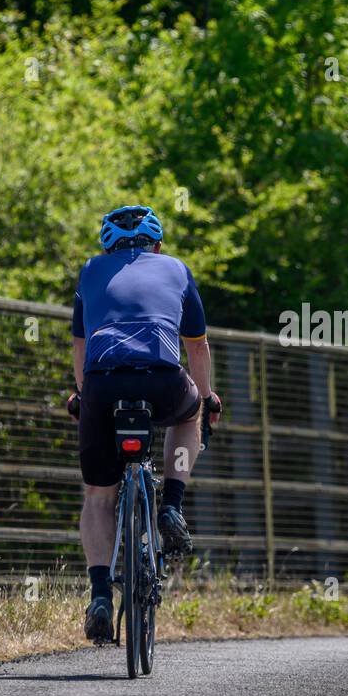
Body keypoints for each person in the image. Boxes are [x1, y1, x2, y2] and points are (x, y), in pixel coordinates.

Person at [67, 205, 222, 641]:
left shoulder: (90, 271)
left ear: (107, 243)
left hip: (102, 385)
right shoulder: (176, 269)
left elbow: (81, 348)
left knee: (99, 495)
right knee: (188, 413)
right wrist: (207, 400)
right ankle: (171, 504)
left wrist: (83, 395)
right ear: (157, 243)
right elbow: (197, 348)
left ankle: (100, 593)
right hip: (162, 381)